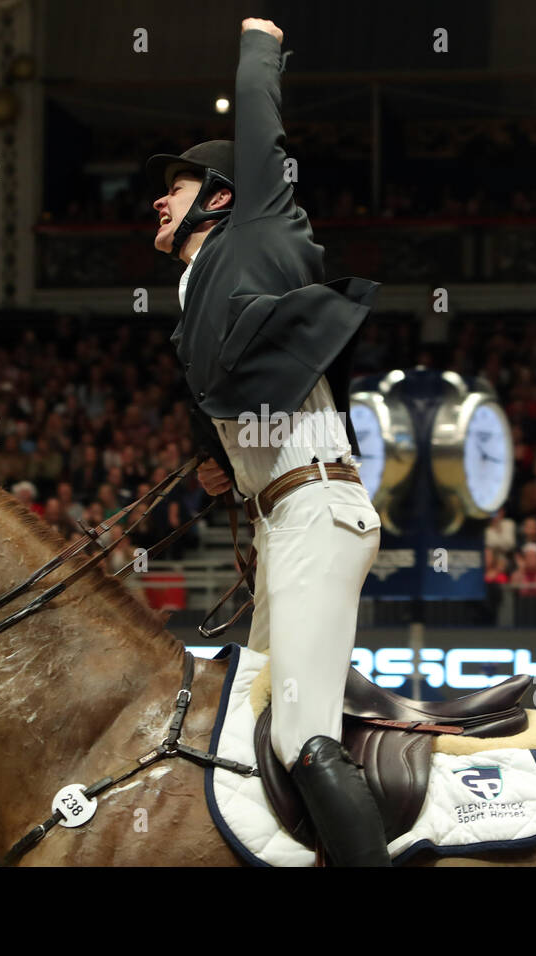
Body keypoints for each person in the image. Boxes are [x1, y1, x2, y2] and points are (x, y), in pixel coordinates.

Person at [146, 18, 388, 866]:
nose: (157, 198)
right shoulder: (193, 295)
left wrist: (256, 41)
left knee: (300, 739)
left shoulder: (262, 229)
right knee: (247, 717)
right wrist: (225, 468)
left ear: (220, 196)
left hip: (317, 509)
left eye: (174, 187)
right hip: (287, 515)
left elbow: (259, 118)